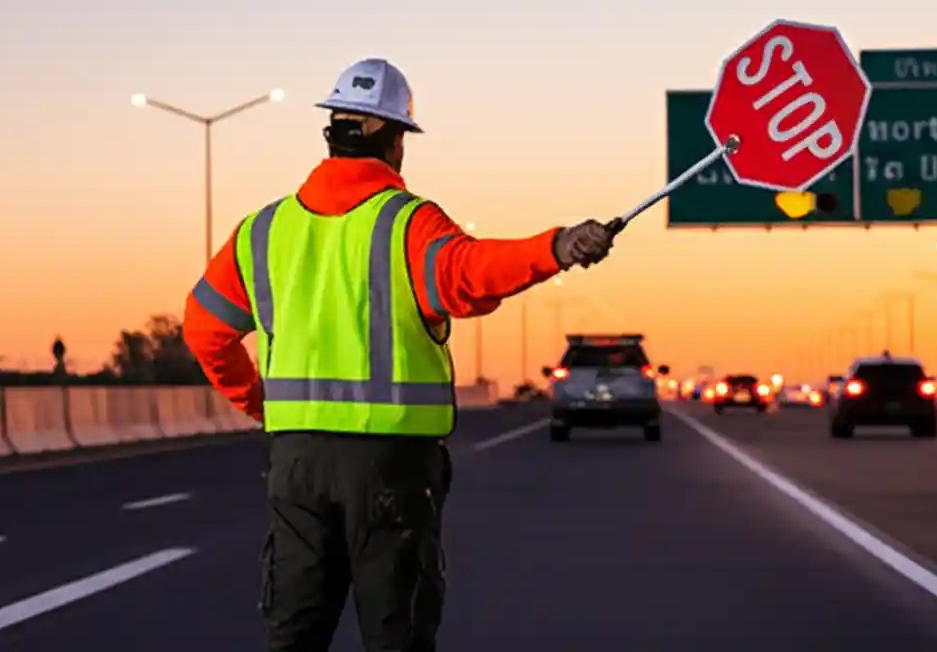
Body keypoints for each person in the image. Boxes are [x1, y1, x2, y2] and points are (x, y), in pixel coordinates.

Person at [182, 57, 615, 651]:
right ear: (393, 140)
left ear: (331, 134)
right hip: (390, 467)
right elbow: (473, 274)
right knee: (398, 635)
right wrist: (557, 247)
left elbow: (204, 329)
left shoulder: (263, 230)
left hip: (297, 463)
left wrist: (260, 402)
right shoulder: (407, 224)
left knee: (294, 634)